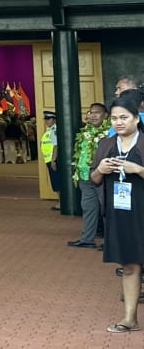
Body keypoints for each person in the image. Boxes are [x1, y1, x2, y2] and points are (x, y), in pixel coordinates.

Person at [90, 94, 144, 333]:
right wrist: (100, 170)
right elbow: (93, 179)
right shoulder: (106, 145)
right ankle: (129, 319)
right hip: (122, 214)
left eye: (124, 117)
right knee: (130, 265)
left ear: (136, 118)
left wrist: (139, 169)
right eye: (114, 118)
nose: (118, 122)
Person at [69, 103, 110, 248]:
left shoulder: (110, 133)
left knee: (107, 209)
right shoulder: (85, 132)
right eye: (90, 112)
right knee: (88, 207)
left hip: (102, 178)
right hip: (85, 176)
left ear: (105, 115)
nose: (92, 115)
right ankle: (87, 238)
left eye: (97, 112)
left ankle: (109, 242)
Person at [41, 110, 59, 198]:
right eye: (45, 119)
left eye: (48, 119)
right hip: (49, 159)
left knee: (56, 181)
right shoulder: (50, 130)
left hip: (53, 160)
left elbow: (56, 146)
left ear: (54, 119)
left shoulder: (54, 130)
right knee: (55, 180)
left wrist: (53, 160)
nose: (46, 121)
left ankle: (61, 202)